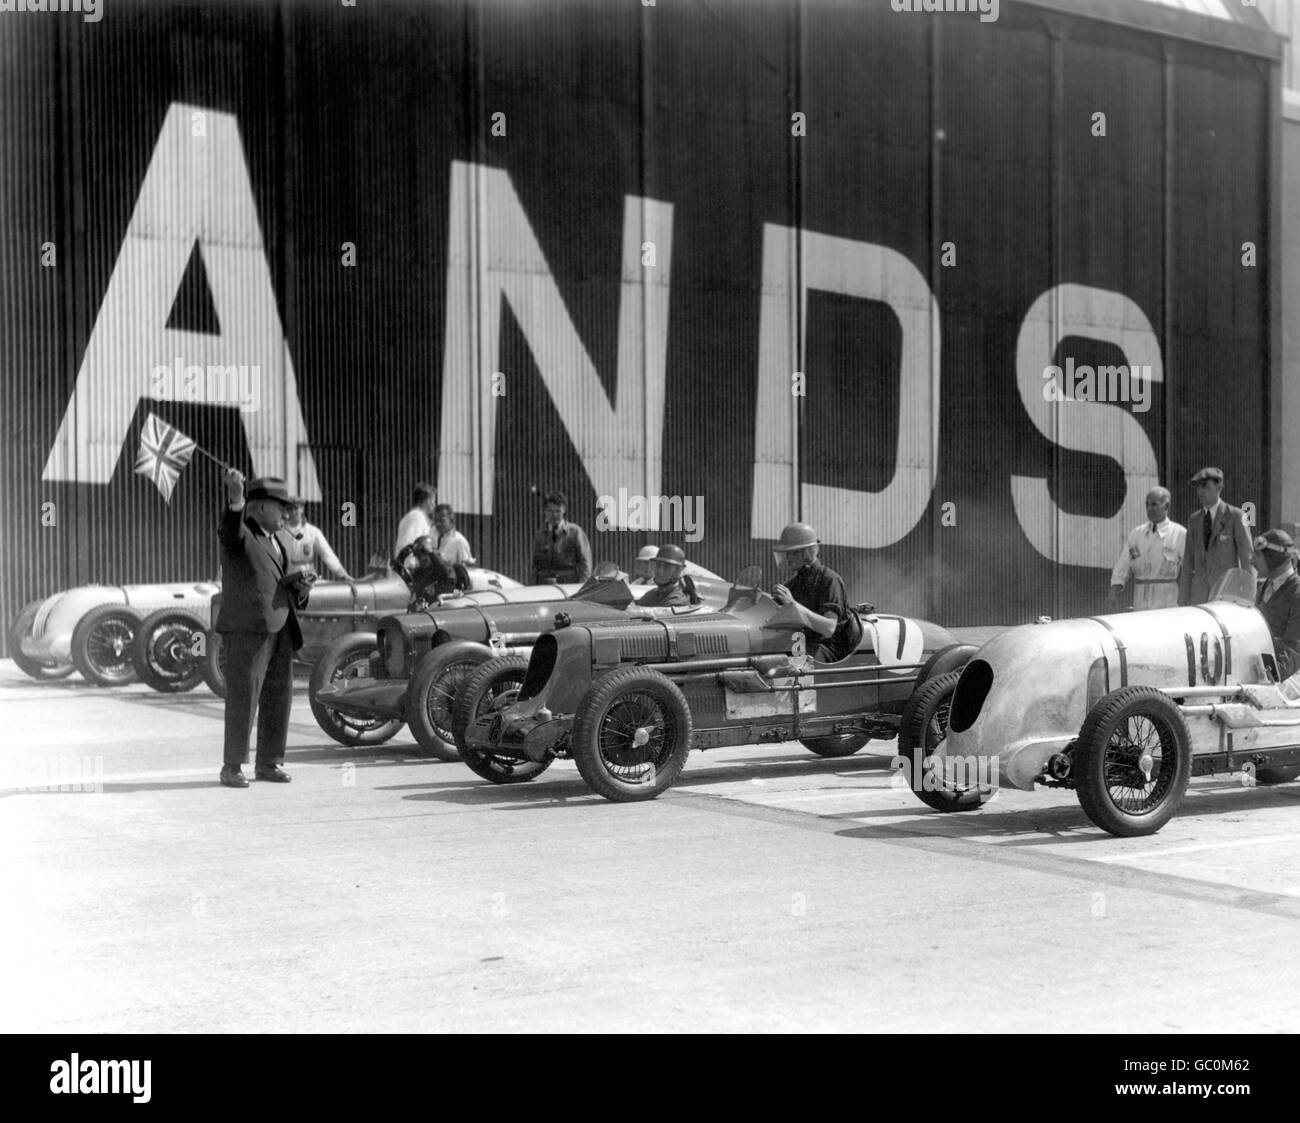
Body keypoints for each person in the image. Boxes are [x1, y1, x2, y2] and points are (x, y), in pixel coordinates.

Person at [215, 471, 311, 788]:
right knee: (244, 695)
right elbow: (229, 530)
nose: (286, 513)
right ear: (257, 508)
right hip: (248, 628)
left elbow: (282, 580)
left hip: (282, 625)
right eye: (279, 506)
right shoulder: (241, 532)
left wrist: (303, 588)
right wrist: (235, 498)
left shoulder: (281, 539)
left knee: (278, 695)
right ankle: (232, 766)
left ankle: (269, 762)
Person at [770, 522, 861, 662]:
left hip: (826, 646)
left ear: (806, 552)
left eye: (792, 553)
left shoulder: (830, 580)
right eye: (786, 553)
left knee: (794, 664)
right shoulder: (793, 584)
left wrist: (792, 604)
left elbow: (829, 628)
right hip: (801, 643)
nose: (788, 558)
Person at [1177, 467, 1255, 606]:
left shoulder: (1236, 516)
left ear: (1219, 487)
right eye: (1198, 488)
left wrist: (1249, 598)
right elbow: (1188, 562)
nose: (1200, 492)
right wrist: (1182, 599)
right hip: (1198, 597)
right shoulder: (1194, 520)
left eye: (1205, 486)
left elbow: (1247, 560)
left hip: (1226, 595)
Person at [1107, 487, 1186, 610]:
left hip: (1167, 603)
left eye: (1154, 505)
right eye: (1147, 505)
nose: (1149, 509)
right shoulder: (1136, 534)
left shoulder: (1180, 534)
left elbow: (1189, 570)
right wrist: (1113, 592)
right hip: (1140, 604)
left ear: (1166, 506)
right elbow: (1122, 567)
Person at [1254, 529, 1300, 679]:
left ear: (1274, 557)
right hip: (1259, 673)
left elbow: (1294, 650)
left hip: (1286, 685)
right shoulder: (1262, 588)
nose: (1251, 561)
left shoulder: (1296, 594)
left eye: (1258, 555)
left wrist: (1270, 676)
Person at [531, 490, 592, 584]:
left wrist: (581, 588)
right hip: (544, 588)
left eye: (558, 511)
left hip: (568, 588)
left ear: (564, 510)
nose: (554, 515)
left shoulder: (575, 532)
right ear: (545, 512)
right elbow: (534, 566)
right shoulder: (540, 535)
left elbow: (585, 564)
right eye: (550, 511)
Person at [286, 502, 351, 580]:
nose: (293, 512)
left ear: (302, 509)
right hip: (286, 579)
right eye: (289, 509)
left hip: (307, 579)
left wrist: (343, 575)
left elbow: (328, 555)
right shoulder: (279, 532)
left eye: (296, 508)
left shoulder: (312, 531)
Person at [393, 482, 437, 562]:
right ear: (427, 500)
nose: (434, 505)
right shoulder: (417, 517)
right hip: (410, 567)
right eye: (433, 501)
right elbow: (408, 544)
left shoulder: (416, 517)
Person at [432, 503, 476, 568]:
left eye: (442, 521)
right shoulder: (433, 534)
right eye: (436, 520)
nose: (438, 524)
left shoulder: (459, 541)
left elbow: (468, 570)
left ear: (451, 520)